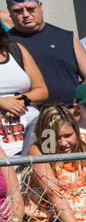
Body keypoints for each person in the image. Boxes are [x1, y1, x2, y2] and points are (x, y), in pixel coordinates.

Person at [5, 0, 86, 106]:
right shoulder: (6, 44)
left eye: (30, 9)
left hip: (72, 114)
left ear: (40, 6)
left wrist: (80, 102)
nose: (25, 15)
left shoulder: (66, 37)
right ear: (9, 13)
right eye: (18, 11)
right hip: (31, 118)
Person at [0, 23, 45, 157]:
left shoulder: (16, 50)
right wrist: (2, 102)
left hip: (32, 133)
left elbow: (42, 90)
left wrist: (22, 100)